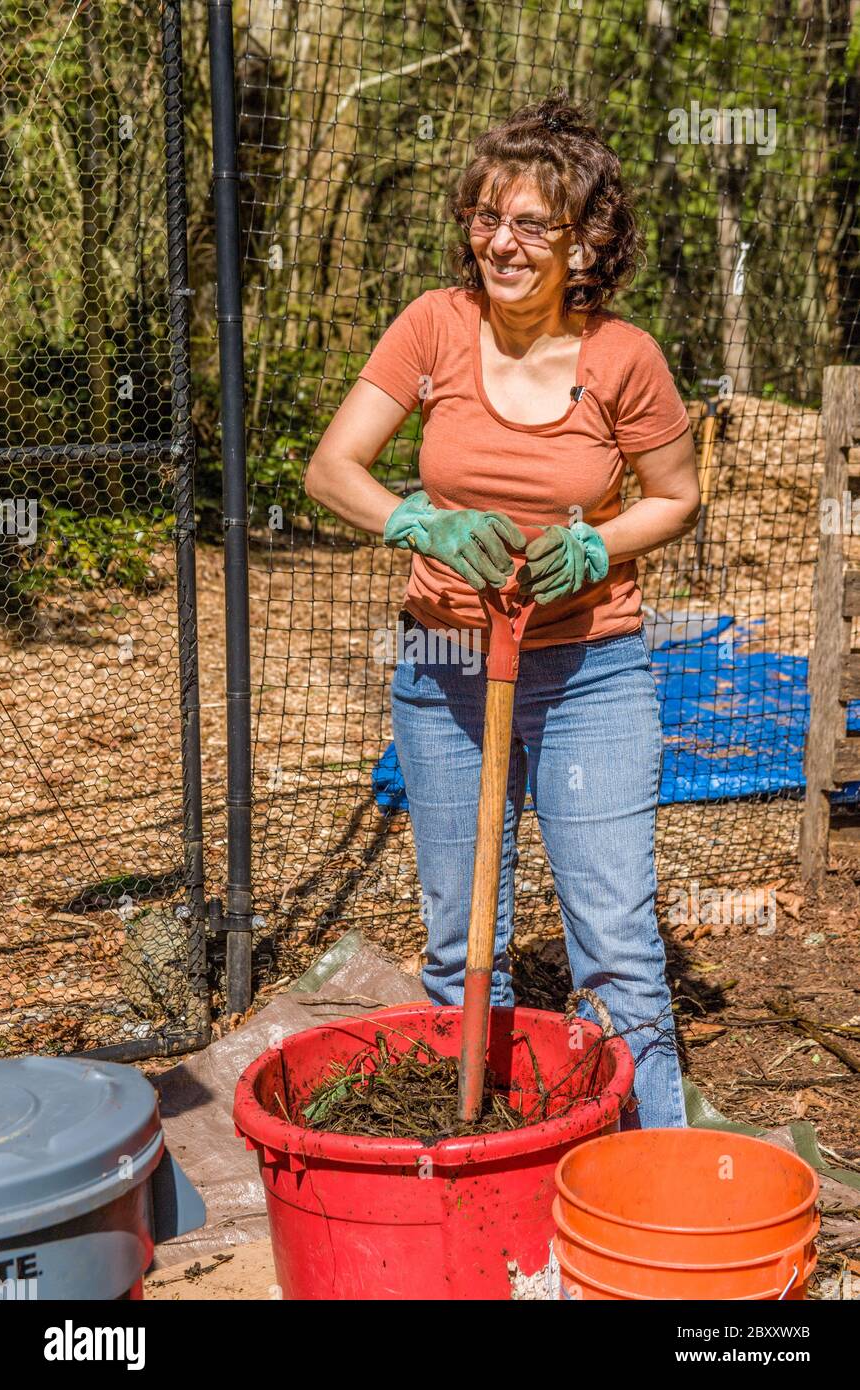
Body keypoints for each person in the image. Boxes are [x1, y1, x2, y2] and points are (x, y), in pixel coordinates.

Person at [305, 90, 700, 1128]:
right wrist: (413, 525)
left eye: (531, 223)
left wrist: (596, 543)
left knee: (612, 943)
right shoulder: (433, 328)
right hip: (442, 664)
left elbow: (674, 495)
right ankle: (483, 1156)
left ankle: (650, 1178)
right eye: (485, 216)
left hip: (587, 671)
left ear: (585, 241)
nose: (501, 242)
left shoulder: (624, 358)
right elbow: (331, 468)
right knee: (456, 939)